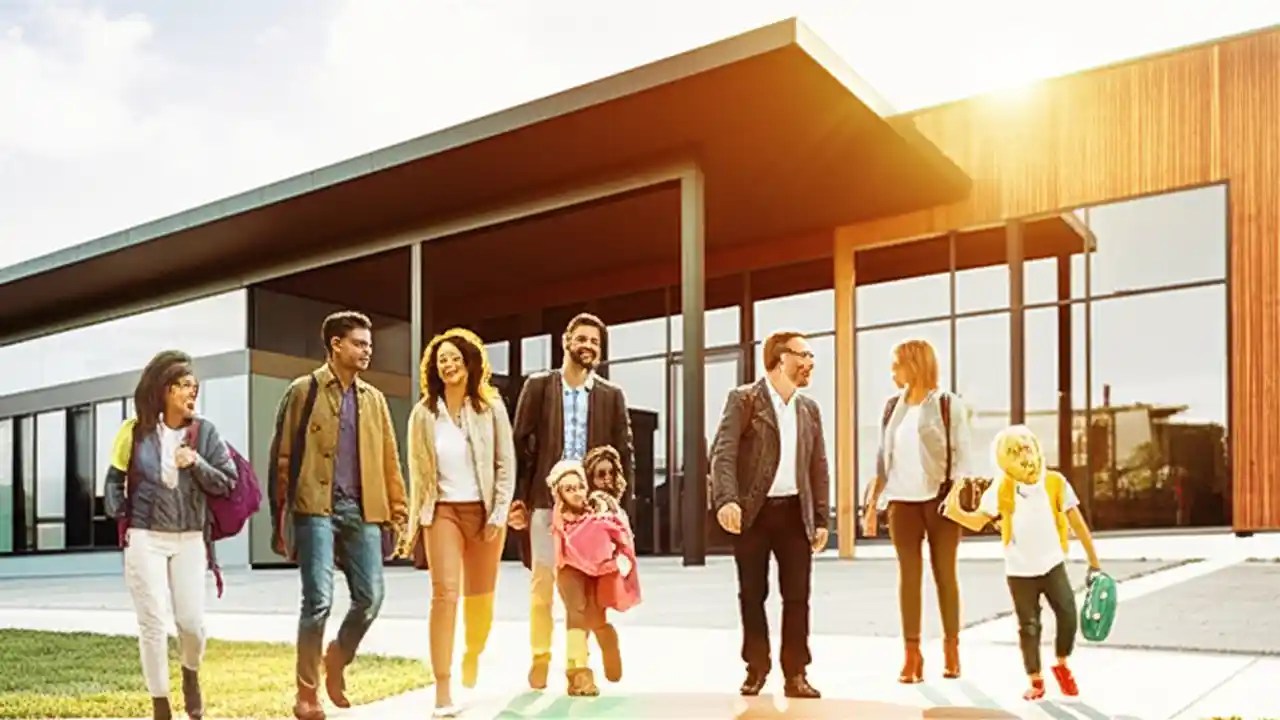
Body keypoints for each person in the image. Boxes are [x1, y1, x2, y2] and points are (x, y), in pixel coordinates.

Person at [268, 311, 409, 720]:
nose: (367, 351)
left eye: (369, 344)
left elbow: (389, 460)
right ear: (336, 345)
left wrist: (397, 514)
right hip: (314, 507)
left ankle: (337, 658)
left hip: (362, 511)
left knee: (371, 597)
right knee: (318, 603)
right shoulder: (303, 391)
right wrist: (283, 513)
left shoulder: (374, 400)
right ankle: (307, 693)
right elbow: (283, 456)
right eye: (359, 343)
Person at [104, 350, 237, 720]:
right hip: (145, 536)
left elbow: (228, 483)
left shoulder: (205, 432)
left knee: (191, 624)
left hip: (190, 537)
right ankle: (160, 703)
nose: (191, 393)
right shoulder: (133, 432)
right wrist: (123, 515)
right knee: (152, 622)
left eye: (194, 387)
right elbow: (113, 481)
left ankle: (190, 673)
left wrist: (197, 462)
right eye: (183, 386)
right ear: (164, 390)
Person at [508, 312, 634, 689]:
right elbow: (519, 444)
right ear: (566, 341)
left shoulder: (611, 396)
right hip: (546, 506)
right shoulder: (540, 387)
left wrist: (617, 506)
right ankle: (540, 655)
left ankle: (580, 666)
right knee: (543, 586)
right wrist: (517, 499)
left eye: (595, 342)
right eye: (582, 339)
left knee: (583, 594)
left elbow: (624, 454)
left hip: (591, 513)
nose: (588, 346)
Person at [402, 328, 515, 717]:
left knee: (480, 603)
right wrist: (414, 519)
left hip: (483, 513)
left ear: (469, 363)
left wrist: (499, 513)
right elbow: (416, 470)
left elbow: (505, 464)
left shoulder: (490, 407)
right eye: (441, 360)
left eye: (454, 358)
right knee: (444, 596)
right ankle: (443, 689)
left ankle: (473, 650)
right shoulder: (423, 414)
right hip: (443, 512)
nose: (447, 365)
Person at [709, 330, 829, 699]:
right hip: (754, 514)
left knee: (797, 597)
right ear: (781, 358)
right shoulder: (745, 400)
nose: (810, 362)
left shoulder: (809, 409)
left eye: (811, 356)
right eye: (803, 355)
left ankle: (796, 674)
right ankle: (756, 667)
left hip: (794, 514)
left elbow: (817, 466)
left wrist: (822, 518)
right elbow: (722, 453)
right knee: (752, 594)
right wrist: (727, 499)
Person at [944, 425, 1101, 701]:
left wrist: (1094, 560)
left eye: (1027, 448)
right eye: (1016, 451)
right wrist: (956, 510)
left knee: (1068, 615)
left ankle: (1062, 664)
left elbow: (1076, 521)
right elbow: (979, 521)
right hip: (1019, 571)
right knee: (1028, 626)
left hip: (1053, 564)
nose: (1024, 456)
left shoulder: (1054, 482)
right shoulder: (1000, 489)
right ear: (1004, 458)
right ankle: (1035, 679)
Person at [860, 338, 970, 683]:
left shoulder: (947, 404)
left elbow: (962, 454)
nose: (892, 371)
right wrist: (872, 504)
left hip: (940, 501)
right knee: (909, 577)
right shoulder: (893, 406)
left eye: (897, 364)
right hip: (901, 502)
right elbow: (882, 457)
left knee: (945, 577)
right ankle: (912, 655)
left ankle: (951, 649)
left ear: (915, 364)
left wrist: (957, 494)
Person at [545, 460, 640, 696]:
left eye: (579, 486)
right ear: (559, 493)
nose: (576, 493)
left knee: (596, 618)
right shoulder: (559, 518)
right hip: (569, 568)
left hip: (596, 569)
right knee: (576, 615)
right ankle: (578, 674)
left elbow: (619, 531)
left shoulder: (597, 511)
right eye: (569, 489)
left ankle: (609, 646)